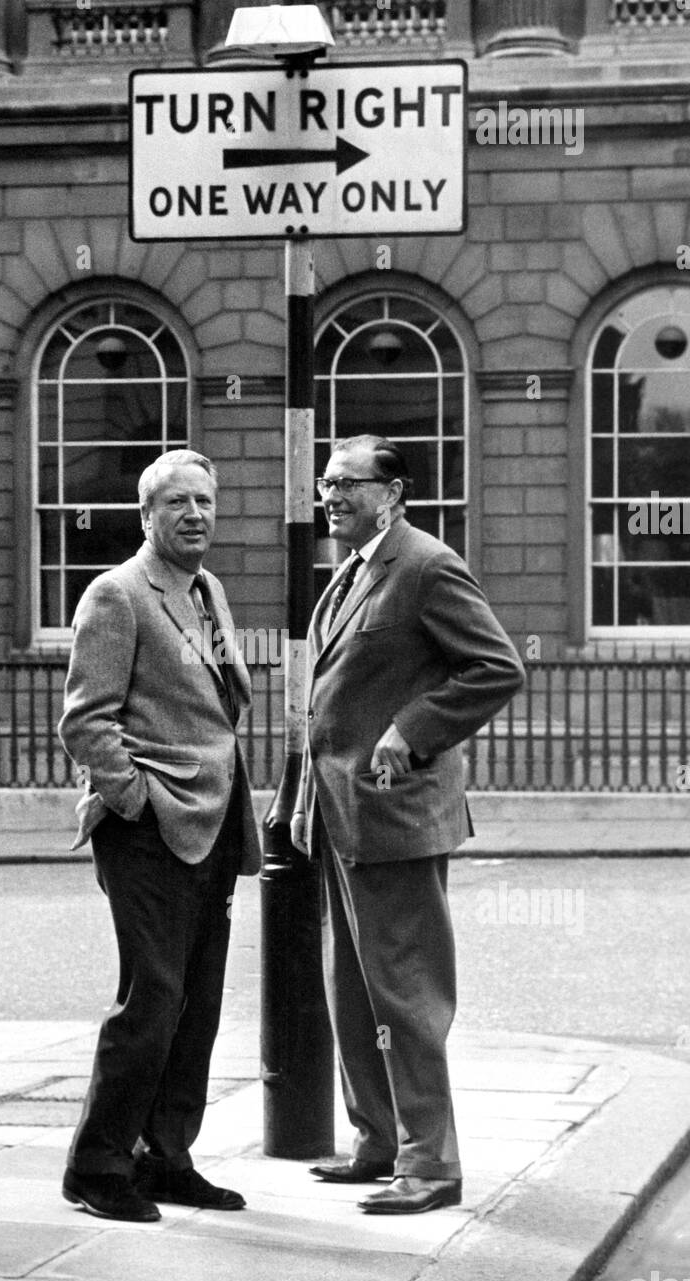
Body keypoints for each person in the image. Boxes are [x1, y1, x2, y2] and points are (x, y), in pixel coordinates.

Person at [291, 435, 525, 1215]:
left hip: (396, 815)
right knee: (351, 987)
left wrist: (413, 729)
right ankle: (379, 1141)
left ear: (395, 494)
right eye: (326, 483)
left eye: (348, 484)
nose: (332, 496)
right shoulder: (346, 577)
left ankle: (432, 1165)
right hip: (340, 815)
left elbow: (496, 666)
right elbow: (325, 707)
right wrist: (300, 803)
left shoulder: (426, 566)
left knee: (407, 992)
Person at [58, 449, 261, 1223]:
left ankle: (166, 1158)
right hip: (147, 828)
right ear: (146, 516)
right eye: (176, 502)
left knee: (196, 1002)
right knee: (153, 998)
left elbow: (215, 707)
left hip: (213, 822)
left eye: (205, 500)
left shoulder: (208, 590)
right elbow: (86, 719)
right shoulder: (117, 595)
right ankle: (98, 1167)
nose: (195, 514)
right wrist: (135, 798)